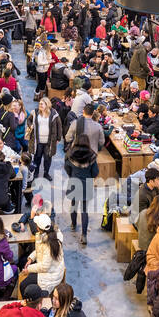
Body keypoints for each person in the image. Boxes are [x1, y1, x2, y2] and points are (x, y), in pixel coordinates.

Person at [64, 102, 104, 244]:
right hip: (86, 179)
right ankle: (84, 235)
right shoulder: (98, 127)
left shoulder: (71, 154)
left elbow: (67, 166)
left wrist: (71, 174)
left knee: (74, 204)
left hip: (74, 178)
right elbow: (101, 143)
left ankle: (74, 225)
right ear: (93, 113)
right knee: (85, 209)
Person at [21, 212, 65, 294]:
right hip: (49, 268)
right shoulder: (46, 234)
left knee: (23, 285)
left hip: (51, 275)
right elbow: (40, 250)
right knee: (22, 261)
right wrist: (31, 258)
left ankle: (32, 304)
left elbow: (45, 267)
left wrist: (29, 269)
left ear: (38, 228)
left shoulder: (49, 243)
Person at [29, 96, 62, 179]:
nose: (40, 105)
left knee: (47, 159)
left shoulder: (54, 114)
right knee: (37, 157)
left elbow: (59, 126)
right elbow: (28, 120)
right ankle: (36, 173)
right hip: (38, 141)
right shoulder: (35, 112)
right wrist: (30, 125)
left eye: (42, 104)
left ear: (47, 104)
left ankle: (46, 173)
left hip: (49, 141)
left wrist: (58, 138)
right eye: (39, 103)